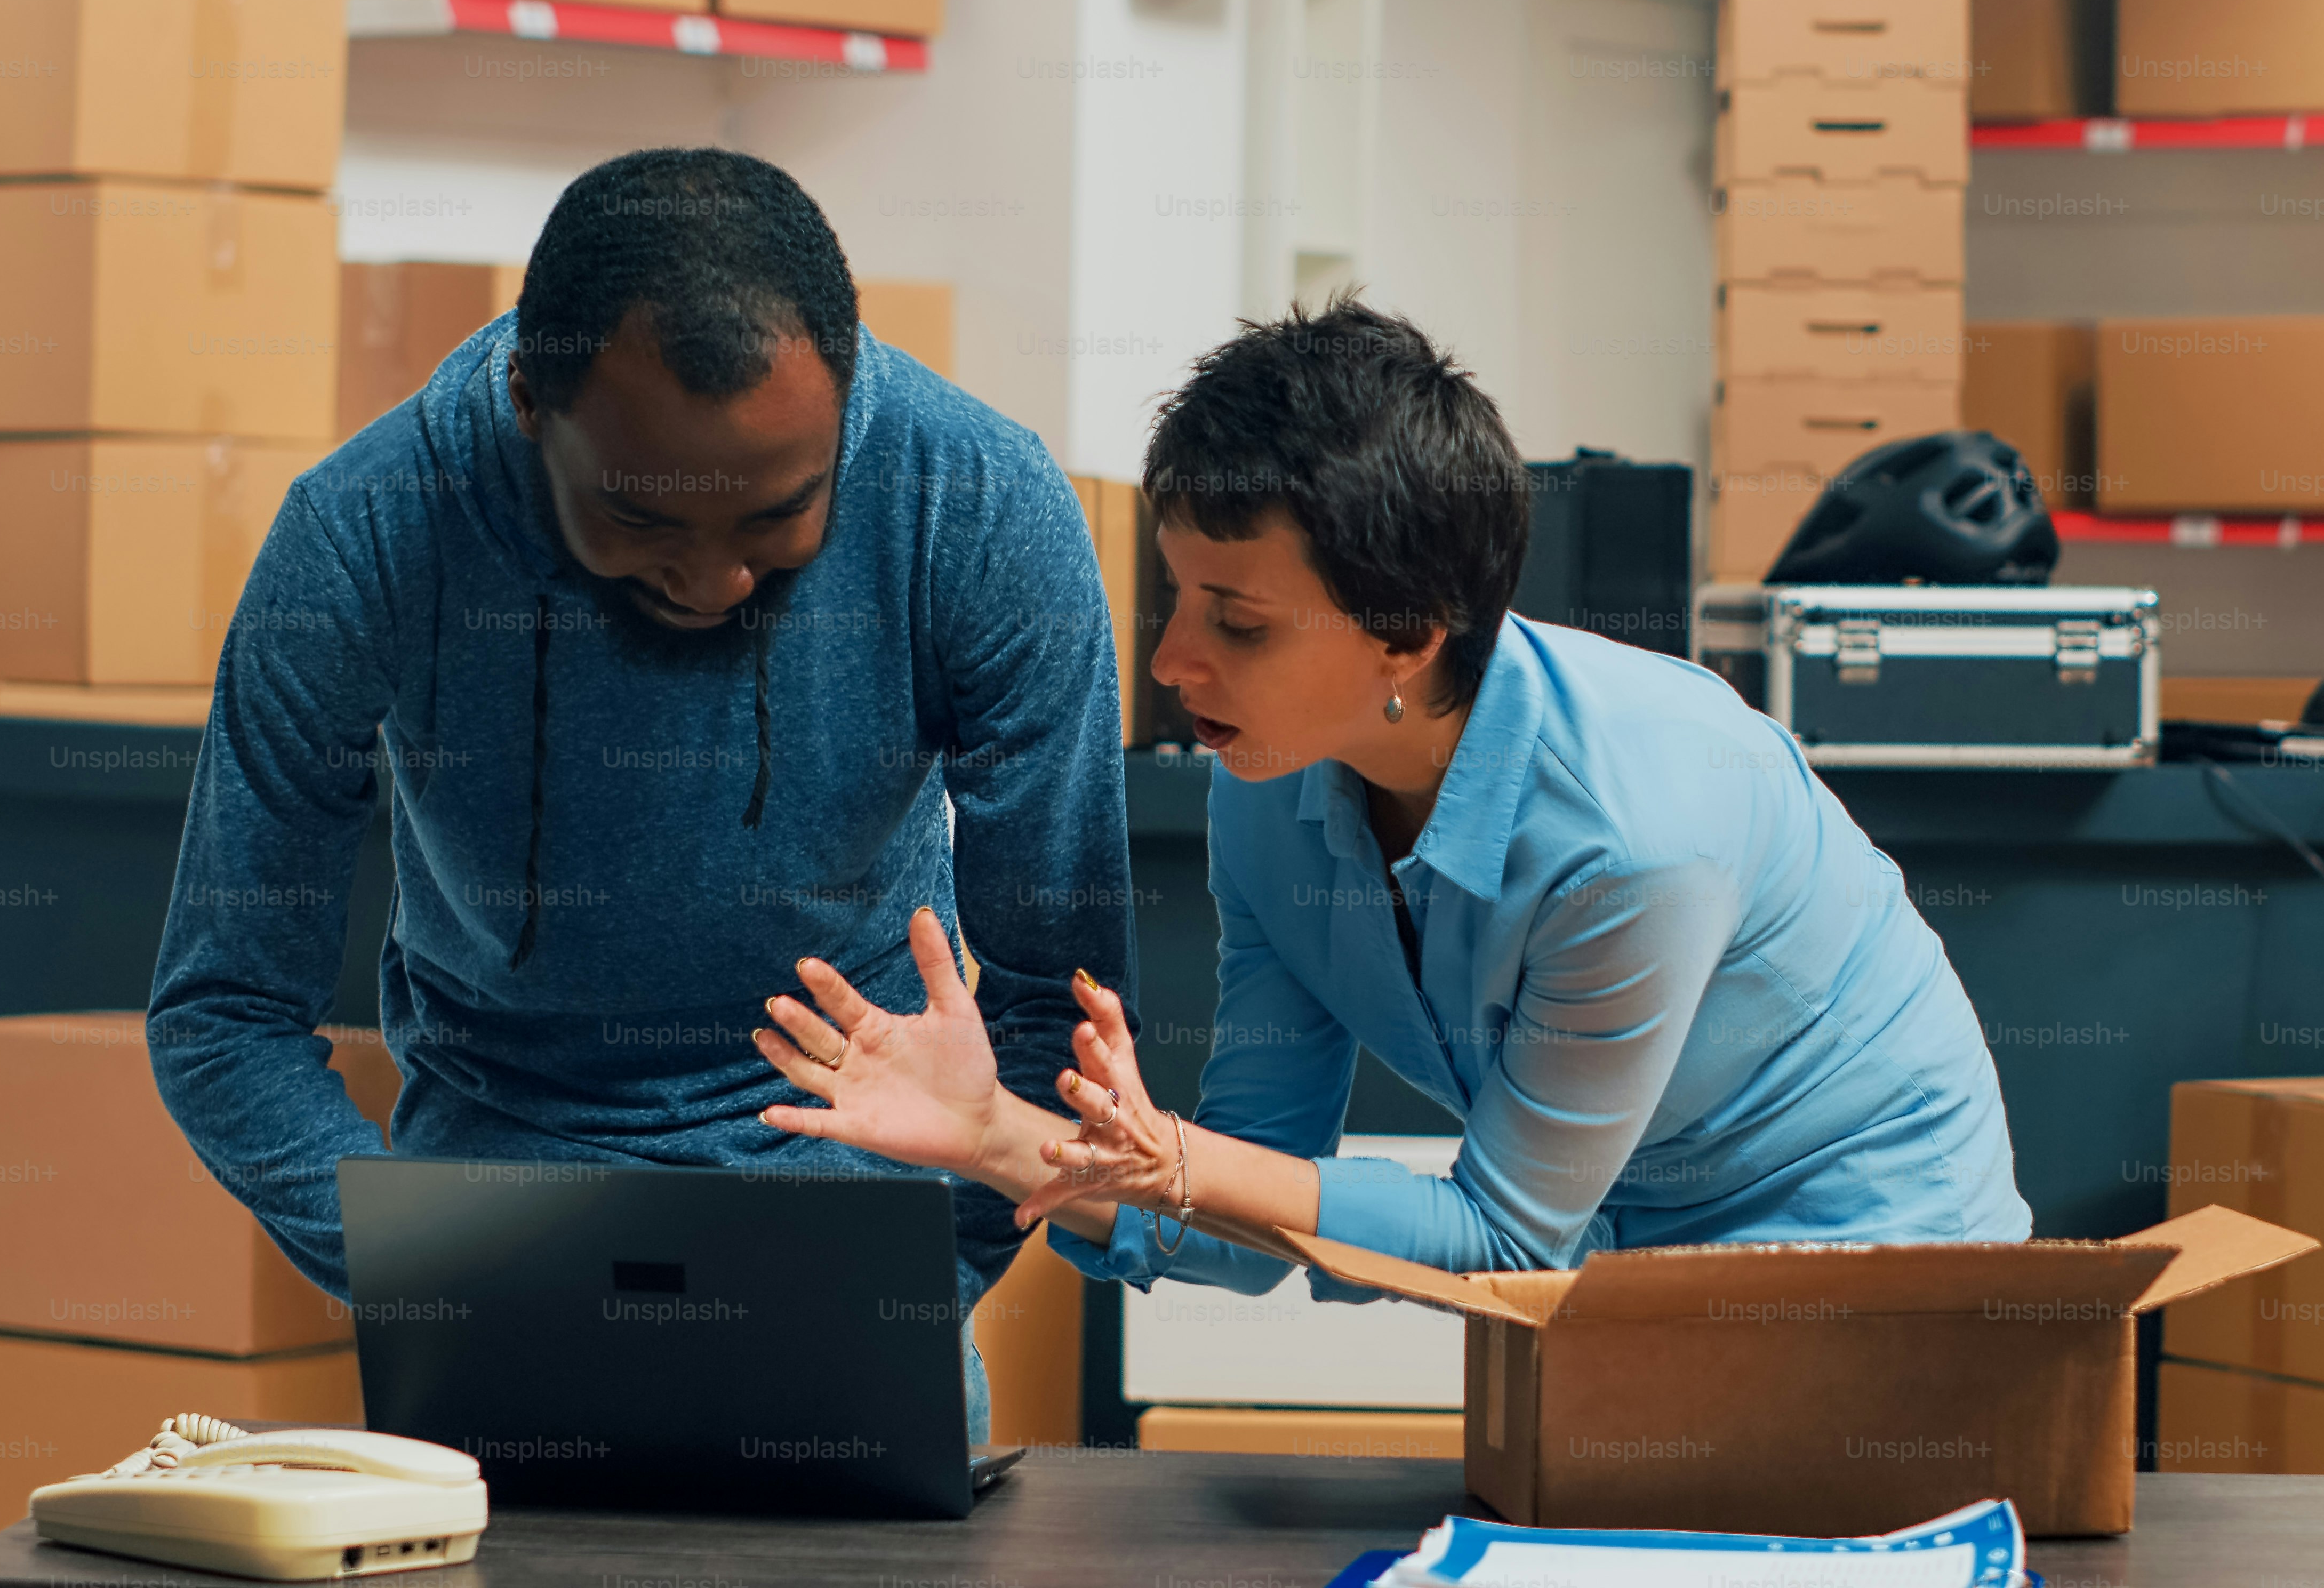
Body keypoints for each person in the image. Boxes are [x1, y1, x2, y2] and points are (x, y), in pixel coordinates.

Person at [750, 296, 2028, 1294]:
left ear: (1409, 633)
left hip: (1881, 1261)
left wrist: (1178, 1162)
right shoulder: (1271, 788)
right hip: (1633, 1265)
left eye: (1239, 622)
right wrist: (987, 1135)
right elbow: (1245, 1200)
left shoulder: (1635, 838)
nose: (1171, 661)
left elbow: (1501, 1240)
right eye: (1179, 595)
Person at [148, 149, 1136, 1439]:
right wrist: (425, 1275)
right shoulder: (366, 531)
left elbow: (1065, 1010)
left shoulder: (981, 506)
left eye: (777, 518)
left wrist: (910, 1287)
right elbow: (223, 1011)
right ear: (529, 402)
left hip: (855, 1223)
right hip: (499, 1235)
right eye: (643, 519)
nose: (715, 579)